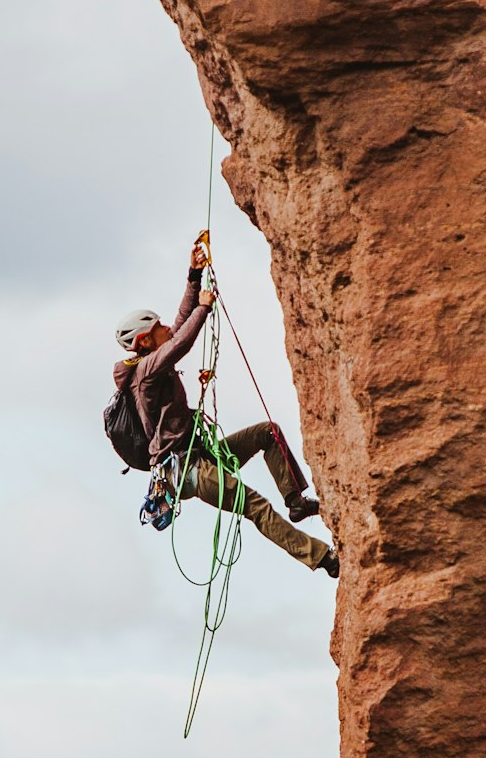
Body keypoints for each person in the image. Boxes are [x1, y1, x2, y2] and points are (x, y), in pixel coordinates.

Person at [109, 239, 339, 577]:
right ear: (144, 341)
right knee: (256, 507)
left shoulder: (151, 362)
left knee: (268, 433)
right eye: (157, 329)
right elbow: (182, 341)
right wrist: (204, 307)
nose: (165, 329)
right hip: (186, 469)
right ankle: (323, 559)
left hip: (199, 455)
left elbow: (178, 326)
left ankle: (297, 503)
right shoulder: (145, 373)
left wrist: (194, 276)